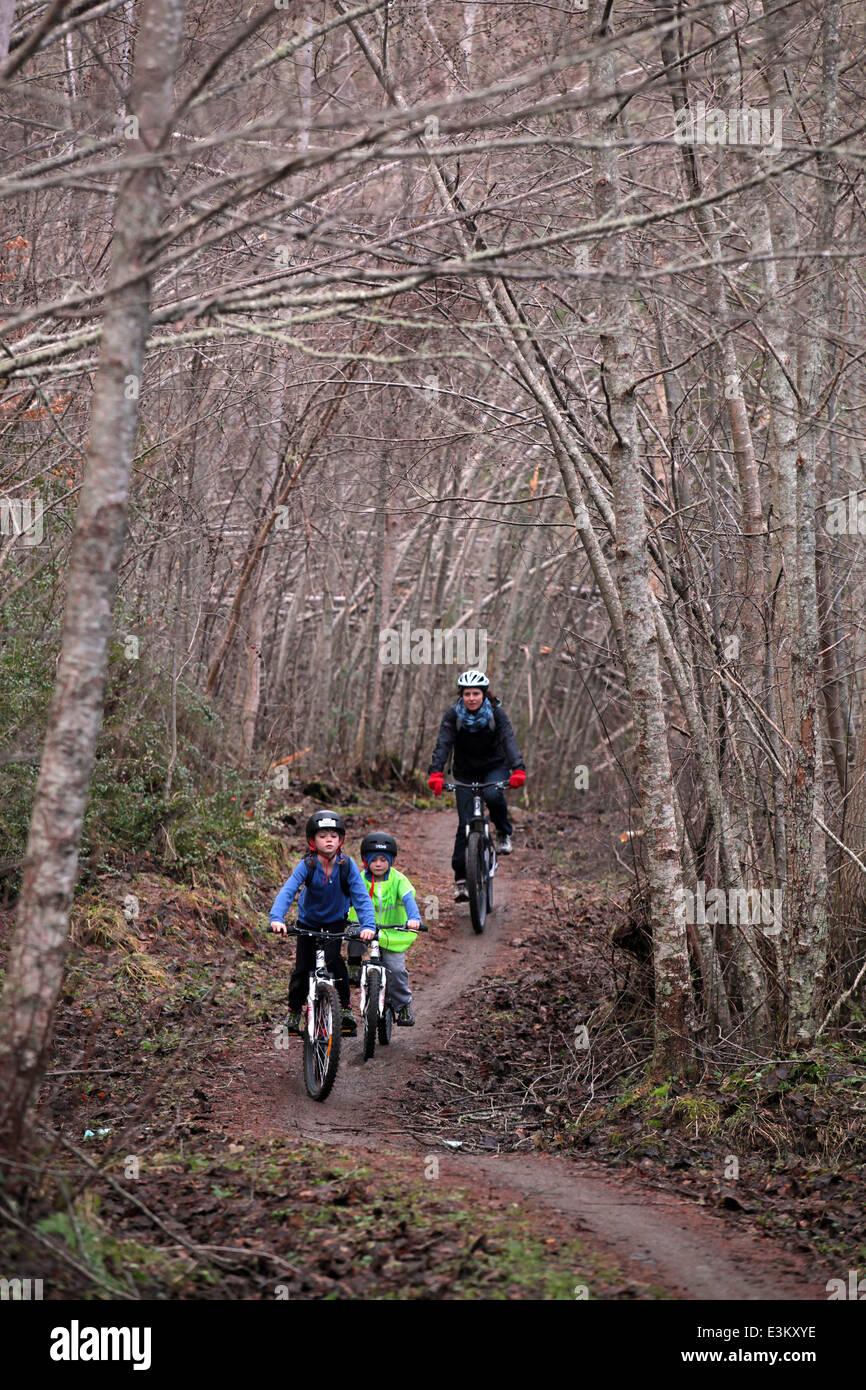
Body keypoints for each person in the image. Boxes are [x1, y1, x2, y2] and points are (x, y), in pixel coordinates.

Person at [269, 810, 375, 1037]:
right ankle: (294, 1012)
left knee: (336, 963)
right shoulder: (307, 865)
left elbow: (361, 897)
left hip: (335, 923)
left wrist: (368, 925)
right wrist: (277, 919)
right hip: (307, 923)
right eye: (323, 835)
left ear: (341, 840)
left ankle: (345, 1010)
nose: (329, 840)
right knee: (301, 970)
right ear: (312, 841)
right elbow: (288, 891)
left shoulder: (347, 865)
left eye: (334, 836)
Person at [427, 669, 526, 901]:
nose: (471, 698)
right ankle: (461, 880)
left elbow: (508, 740)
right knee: (465, 824)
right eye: (467, 693)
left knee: (492, 795)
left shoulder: (497, 715)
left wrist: (518, 769)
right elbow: (443, 745)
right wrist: (436, 774)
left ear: (484, 694)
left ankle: (502, 832)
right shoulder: (453, 716)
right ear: (461, 695)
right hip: (465, 772)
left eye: (476, 693)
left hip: (494, 767)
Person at [347, 831, 422, 1026]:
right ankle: (354, 967)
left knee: (396, 970)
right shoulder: (359, 879)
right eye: (374, 860)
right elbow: (346, 899)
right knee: (353, 938)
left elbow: (408, 900)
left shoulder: (399, 879)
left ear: (390, 860)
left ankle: (403, 1005)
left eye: (383, 859)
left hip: (392, 932)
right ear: (366, 861)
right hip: (363, 928)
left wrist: (414, 918)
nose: (378, 864)